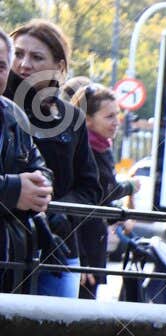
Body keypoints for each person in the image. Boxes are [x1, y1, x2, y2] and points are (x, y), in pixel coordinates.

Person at [6, 20, 105, 298]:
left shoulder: (71, 118)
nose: (24, 64)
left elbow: (91, 188)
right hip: (7, 246)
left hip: (57, 250)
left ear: (58, 66)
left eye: (37, 57)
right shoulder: (3, 111)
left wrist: (60, 211)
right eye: (18, 54)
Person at [0, 27, 54, 295]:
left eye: (0, 66)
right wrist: (13, 190)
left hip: (12, 270)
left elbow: (39, 166)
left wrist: (40, 187)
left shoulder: (12, 115)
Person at [70, 84, 131, 299]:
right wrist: (81, 259)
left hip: (92, 243)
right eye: (109, 116)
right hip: (81, 247)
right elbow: (77, 206)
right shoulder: (83, 150)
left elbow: (100, 197)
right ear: (88, 119)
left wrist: (116, 214)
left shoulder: (102, 147)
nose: (116, 122)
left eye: (117, 115)